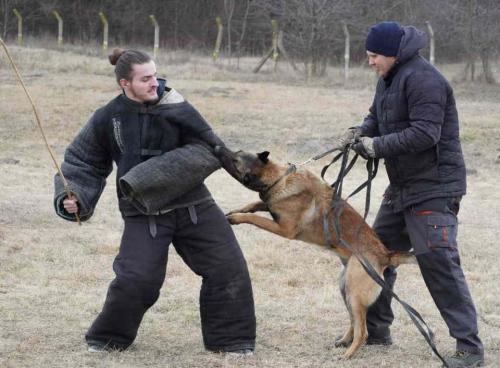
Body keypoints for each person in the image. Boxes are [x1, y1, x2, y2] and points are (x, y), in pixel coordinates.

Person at [54, 48, 256, 355]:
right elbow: (82, 162)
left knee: (228, 268)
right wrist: (74, 196)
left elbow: (208, 148)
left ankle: (232, 343)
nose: (155, 83)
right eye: (145, 78)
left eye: (155, 75)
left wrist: (149, 177)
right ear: (125, 84)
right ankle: (107, 339)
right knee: (137, 280)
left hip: (194, 205)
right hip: (142, 211)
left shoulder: (176, 106)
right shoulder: (107, 117)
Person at [339, 22, 484, 368]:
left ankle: (470, 349)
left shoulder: (425, 79)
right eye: (368, 56)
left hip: (434, 188)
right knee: (371, 255)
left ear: (392, 53)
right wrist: (360, 132)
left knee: (439, 264)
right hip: (403, 187)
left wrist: (376, 146)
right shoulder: (389, 78)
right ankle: (376, 331)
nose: (370, 62)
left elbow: (425, 133)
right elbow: (377, 116)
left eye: (374, 56)